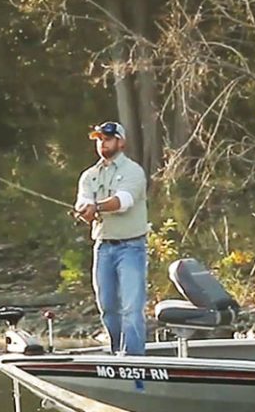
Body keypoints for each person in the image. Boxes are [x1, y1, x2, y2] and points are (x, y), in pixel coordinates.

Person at [74, 121, 149, 356]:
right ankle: (118, 353)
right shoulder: (89, 176)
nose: (102, 143)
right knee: (107, 307)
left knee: (131, 307)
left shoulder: (133, 171)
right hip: (103, 247)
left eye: (107, 138)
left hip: (131, 248)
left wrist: (95, 207)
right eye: (99, 139)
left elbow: (123, 201)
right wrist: (86, 211)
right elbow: (82, 203)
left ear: (121, 142)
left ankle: (134, 357)